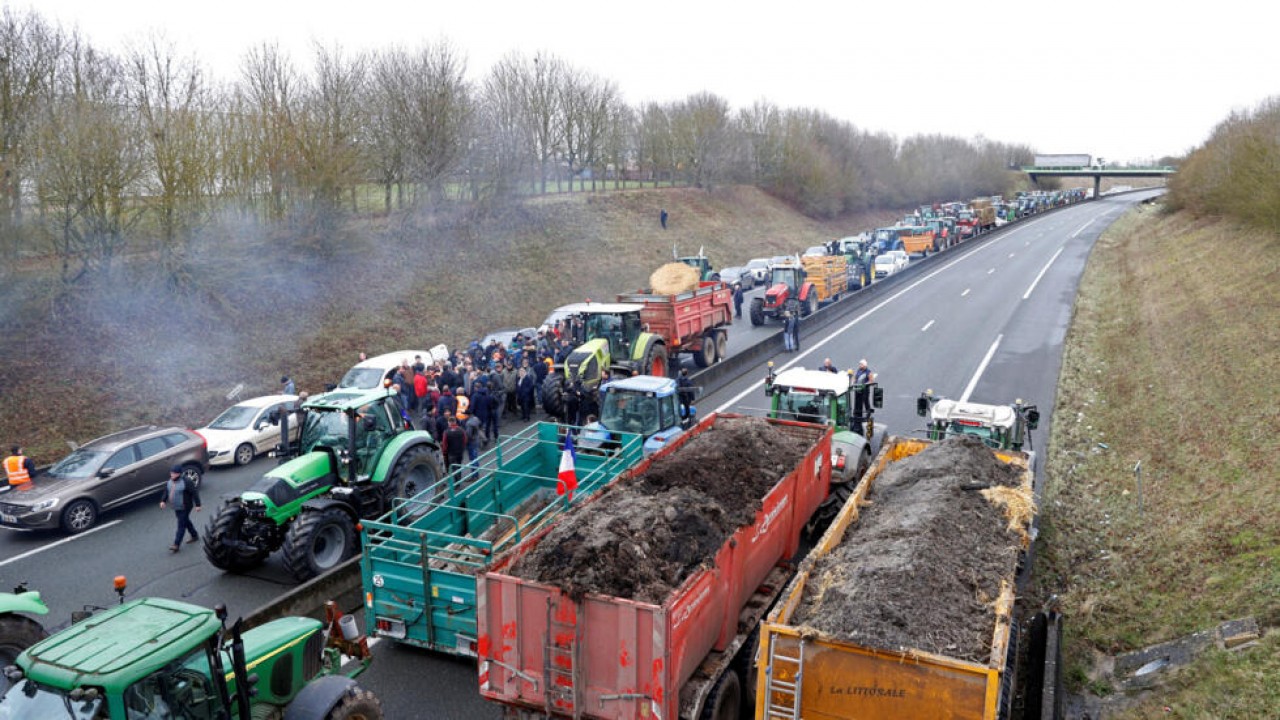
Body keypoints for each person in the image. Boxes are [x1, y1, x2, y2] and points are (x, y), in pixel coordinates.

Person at [159, 465, 201, 552]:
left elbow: (194, 493)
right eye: (171, 473)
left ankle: (176, 544)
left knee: (181, 525)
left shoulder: (186, 481)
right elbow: (167, 491)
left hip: (185, 506)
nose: (171, 475)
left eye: (173, 473)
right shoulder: (170, 481)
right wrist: (163, 501)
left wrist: (198, 505)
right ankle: (194, 535)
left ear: (178, 474)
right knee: (185, 521)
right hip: (176, 507)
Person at [853, 358, 874, 424]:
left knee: (865, 401)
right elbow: (855, 377)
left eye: (861, 364)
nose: (859, 365)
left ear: (864, 365)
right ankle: (857, 413)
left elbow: (871, 381)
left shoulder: (868, 372)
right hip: (858, 389)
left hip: (865, 390)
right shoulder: (859, 370)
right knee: (857, 401)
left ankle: (868, 412)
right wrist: (854, 382)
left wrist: (865, 384)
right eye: (860, 364)